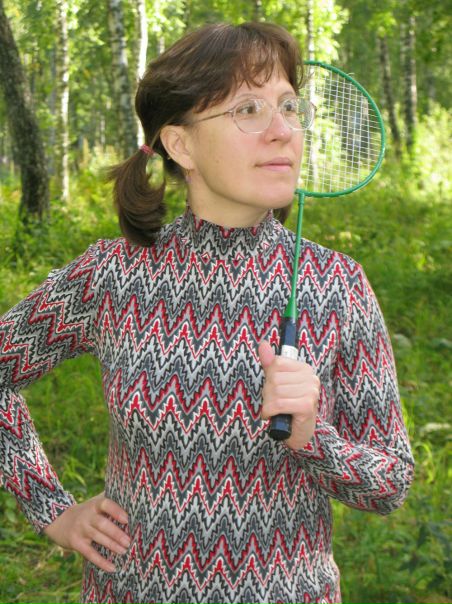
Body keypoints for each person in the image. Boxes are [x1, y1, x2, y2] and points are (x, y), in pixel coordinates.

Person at [0, 21, 414, 604]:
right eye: (248, 109)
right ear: (181, 144)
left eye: (289, 106)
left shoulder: (336, 285)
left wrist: (311, 437)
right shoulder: (113, 275)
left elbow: (390, 482)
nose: (282, 131)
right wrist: (53, 509)